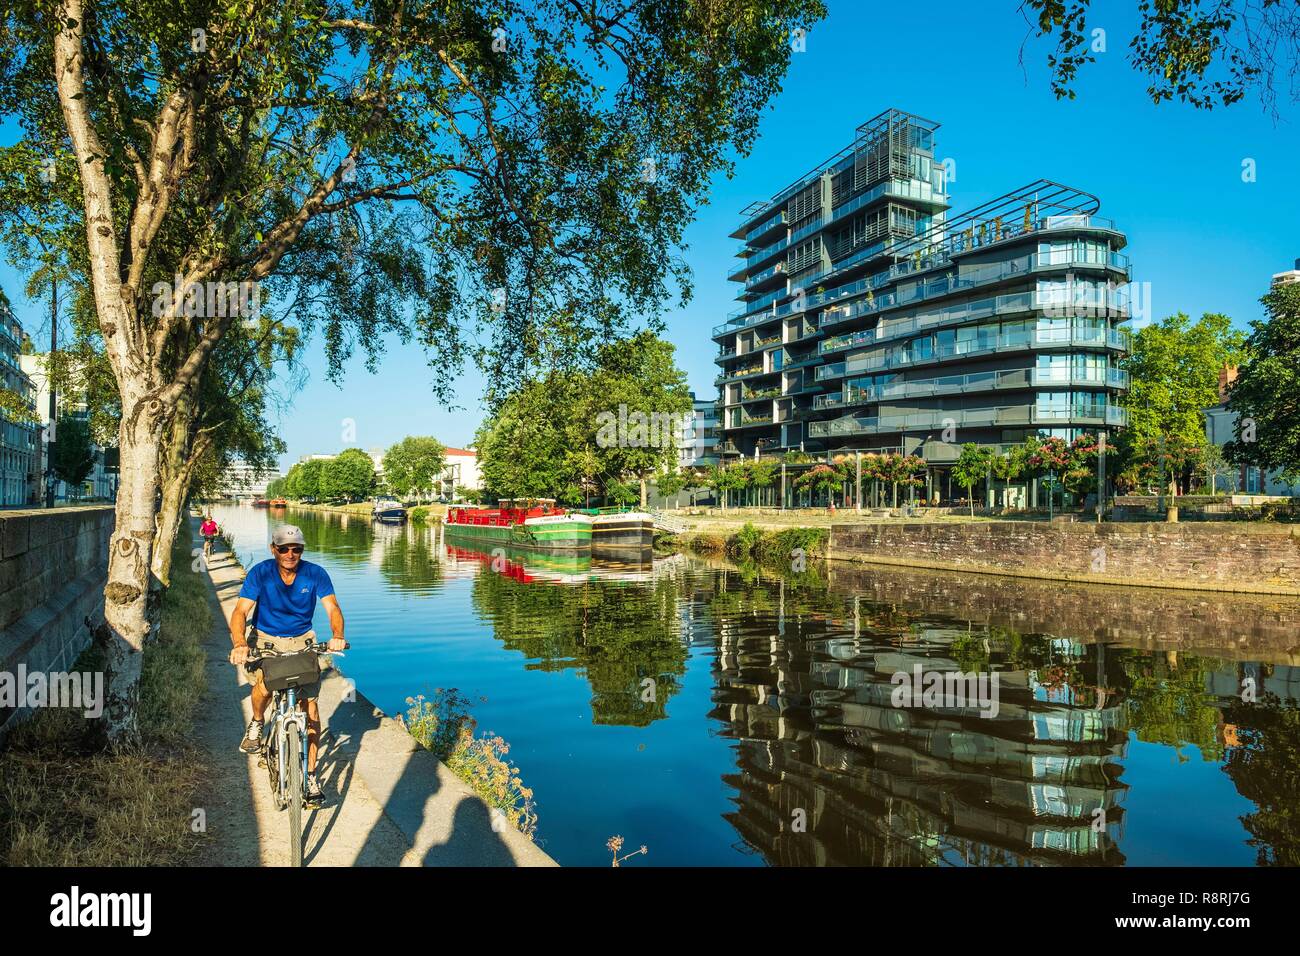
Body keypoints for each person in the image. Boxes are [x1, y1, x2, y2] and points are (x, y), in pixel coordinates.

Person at [228, 525, 347, 805]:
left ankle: (310, 777)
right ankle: (258, 723)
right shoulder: (261, 573)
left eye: (296, 549)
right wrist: (239, 643)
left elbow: (333, 608)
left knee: (311, 708)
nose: (290, 554)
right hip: (265, 639)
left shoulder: (315, 574)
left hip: (302, 640)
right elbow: (241, 611)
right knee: (264, 687)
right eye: (284, 548)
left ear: (302, 551)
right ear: (274, 549)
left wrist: (338, 636)